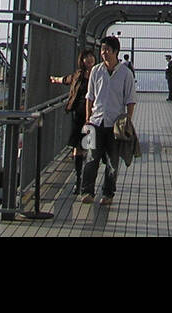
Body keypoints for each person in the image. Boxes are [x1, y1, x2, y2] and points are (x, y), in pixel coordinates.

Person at [82, 35, 137, 205]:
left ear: (116, 52)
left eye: (107, 50)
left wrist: (127, 121)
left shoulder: (125, 74)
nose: (104, 53)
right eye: (102, 49)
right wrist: (87, 119)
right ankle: (87, 191)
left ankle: (108, 193)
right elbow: (89, 97)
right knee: (91, 157)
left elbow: (130, 99)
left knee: (112, 160)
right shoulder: (96, 71)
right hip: (96, 121)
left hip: (115, 123)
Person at [49, 47, 96, 194]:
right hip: (78, 115)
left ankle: (88, 182)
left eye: (90, 57)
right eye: (85, 57)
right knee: (78, 147)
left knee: (90, 148)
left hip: (93, 117)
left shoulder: (99, 73)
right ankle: (78, 179)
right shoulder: (78, 75)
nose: (89, 60)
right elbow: (67, 79)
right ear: (81, 61)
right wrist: (55, 79)